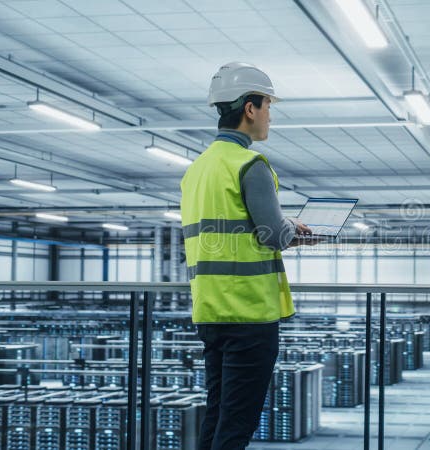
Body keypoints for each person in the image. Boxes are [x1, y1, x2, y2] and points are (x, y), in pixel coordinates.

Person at [180, 62, 317, 450]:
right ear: (250, 109)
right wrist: (293, 229)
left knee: (219, 412)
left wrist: (282, 220)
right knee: (238, 422)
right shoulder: (250, 164)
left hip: (210, 308)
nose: (271, 116)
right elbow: (272, 235)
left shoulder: (198, 169)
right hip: (249, 312)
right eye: (269, 106)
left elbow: (234, 225)